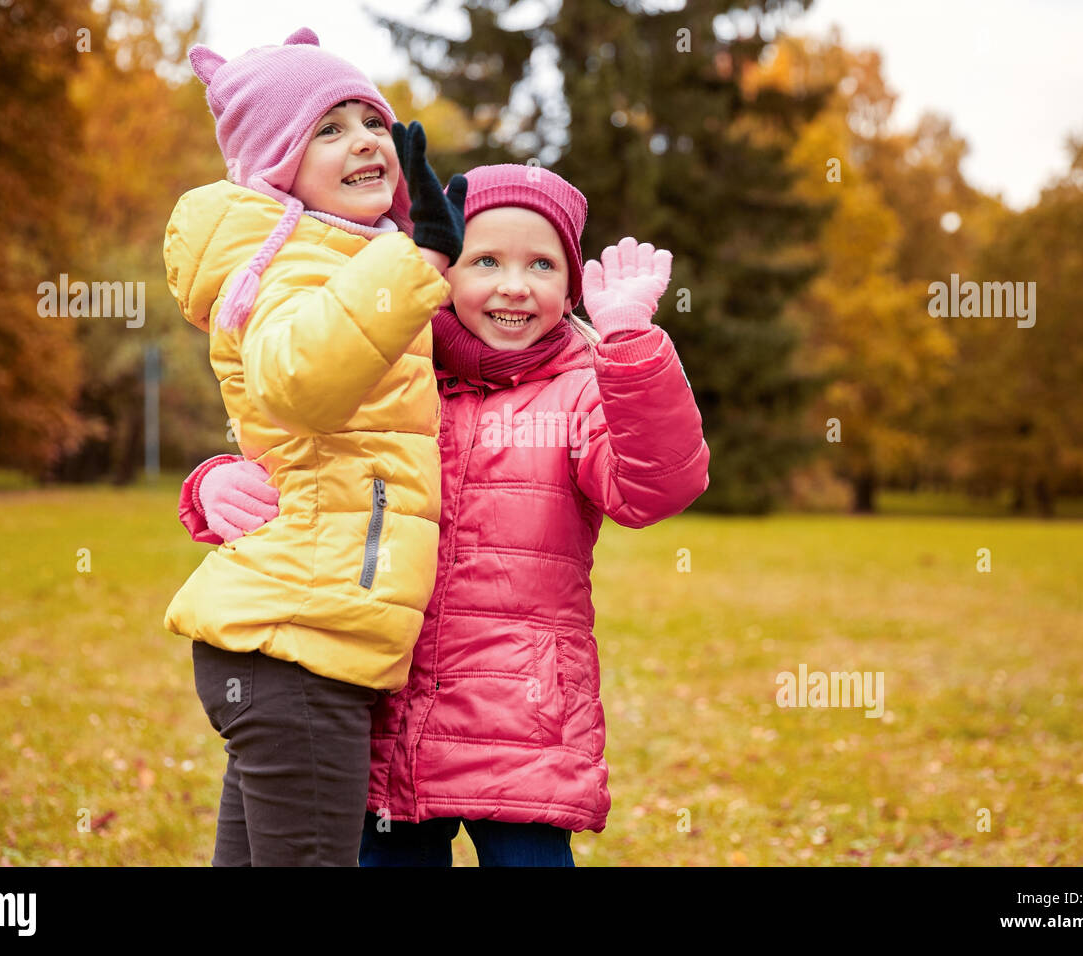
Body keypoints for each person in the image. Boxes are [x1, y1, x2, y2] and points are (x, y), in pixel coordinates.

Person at [180, 164, 710, 866]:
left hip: (520, 725)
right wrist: (213, 485)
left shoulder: (581, 390)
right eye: (484, 260)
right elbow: (293, 440)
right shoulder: (391, 374)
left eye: (542, 264)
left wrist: (628, 346)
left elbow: (653, 488)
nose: (514, 285)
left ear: (572, 286)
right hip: (383, 717)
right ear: (441, 269)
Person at [163, 26, 466, 866]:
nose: (364, 140)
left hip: (296, 639)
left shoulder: (354, 256)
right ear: (276, 165)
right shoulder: (294, 259)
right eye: (326, 129)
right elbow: (296, 379)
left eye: (370, 120)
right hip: (298, 638)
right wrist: (420, 261)